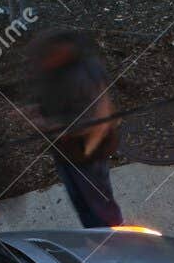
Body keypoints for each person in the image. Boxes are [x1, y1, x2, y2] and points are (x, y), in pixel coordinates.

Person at [27, 30, 125, 228]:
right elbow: (42, 96)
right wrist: (37, 111)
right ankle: (94, 232)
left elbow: (99, 118)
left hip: (88, 152)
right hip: (65, 151)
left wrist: (56, 127)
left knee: (98, 200)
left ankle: (111, 236)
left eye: (47, 58)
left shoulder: (85, 75)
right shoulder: (50, 68)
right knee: (79, 197)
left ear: (62, 53)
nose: (42, 63)